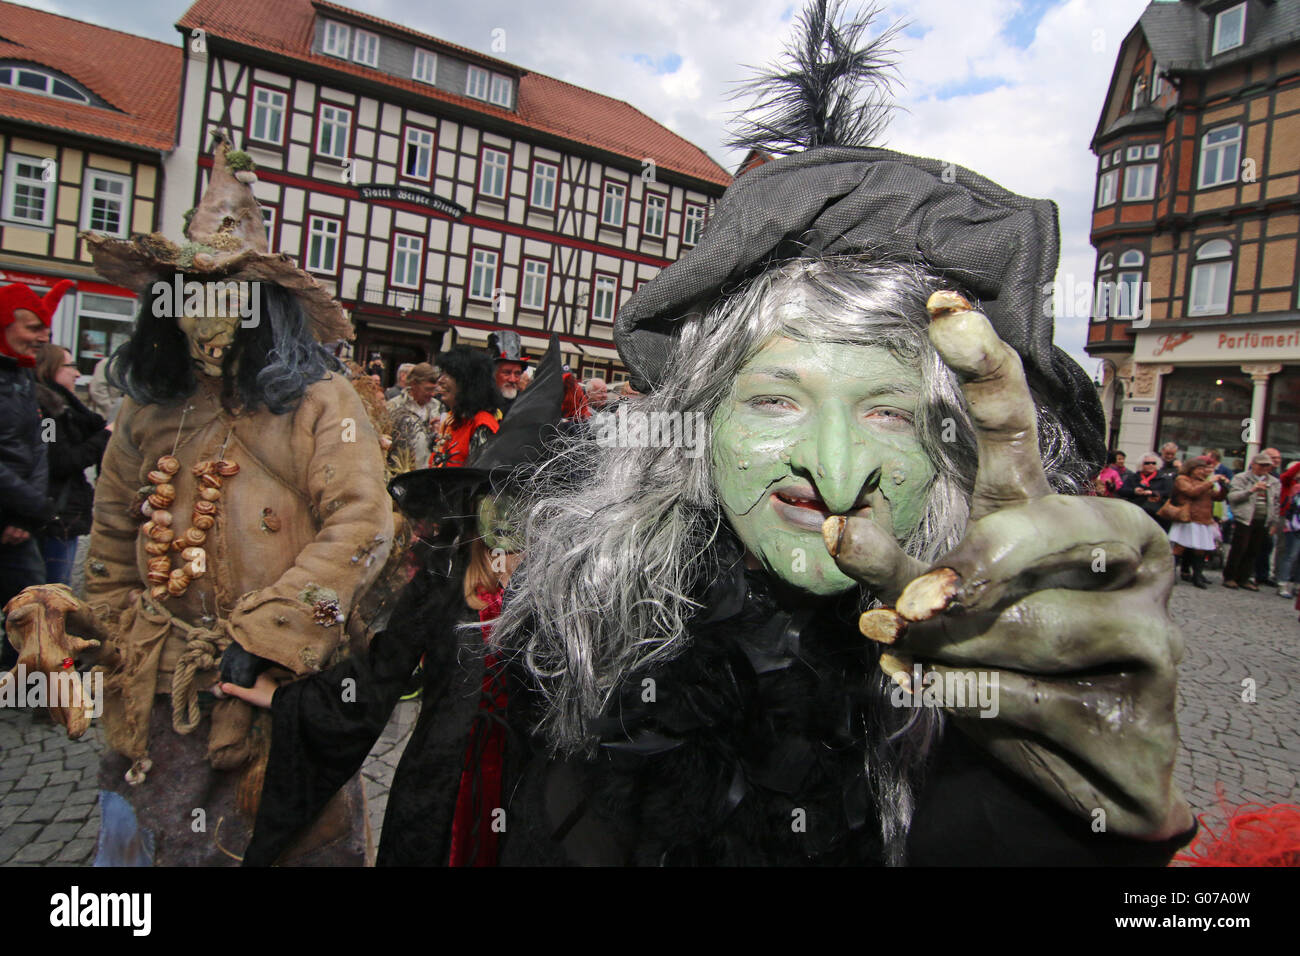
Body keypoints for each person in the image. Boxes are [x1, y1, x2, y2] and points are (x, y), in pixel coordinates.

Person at [3, 135, 394, 865]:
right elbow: (113, 531)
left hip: (271, 688)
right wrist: (101, 628)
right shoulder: (148, 410)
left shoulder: (322, 400)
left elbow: (362, 523)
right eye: (189, 295)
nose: (205, 315)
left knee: (278, 841)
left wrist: (269, 638)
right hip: (162, 688)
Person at [239, 337, 566, 867]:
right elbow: (382, 672)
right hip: (439, 793)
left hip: (528, 806)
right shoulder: (445, 579)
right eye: (498, 503)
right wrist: (291, 702)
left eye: (528, 505)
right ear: (475, 507)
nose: (511, 521)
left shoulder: (566, 594)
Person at [0, 280, 66, 668]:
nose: (43, 337)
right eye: (33, 328)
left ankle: (29, 685)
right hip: (20, 511)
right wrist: (32, 507)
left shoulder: (23, 378)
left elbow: (40, 449)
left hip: (22, 521)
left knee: (37, 614)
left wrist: (27, 515)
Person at [33, 342, 111, 585]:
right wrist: (105, 436)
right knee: (52, 590)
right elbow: (58, 461)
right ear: (50, 368)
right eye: (71, 366)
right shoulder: (47, 414)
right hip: (54, 514)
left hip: (63, 512)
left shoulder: (68, 408)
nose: (77, 373)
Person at [430, 346, 500, 467]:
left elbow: (480, 473)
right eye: (442, 373)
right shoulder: (452, 419)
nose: (440, 380)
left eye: (449, 375)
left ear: (468, 384)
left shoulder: (482, 424)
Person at [1222, 452, 1280, 590]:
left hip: (1263, 519)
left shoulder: (1274, 481)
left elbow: (1276, 503)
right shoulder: (1241, 478)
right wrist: (1252, 490)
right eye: (1261, 465)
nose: (1264, 468)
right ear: (1253, 464)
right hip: (1245, 518)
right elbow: (1232, 497)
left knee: (1254, 550)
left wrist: (1274, 522)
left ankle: (1244, 578)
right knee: (1239, 548)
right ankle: (1230, 577)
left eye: (1267, 465)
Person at [1167, 456, 1227, 589]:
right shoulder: (1182, 479)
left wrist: (1224, 487)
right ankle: (1170, 574)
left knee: (1200, 549)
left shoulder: (1203, 482)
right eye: (1199, 469)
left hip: (1203, 519)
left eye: (1203, 469)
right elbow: (1192, 492)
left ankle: (1197, 576)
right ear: (1191, 469)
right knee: (1179, 547)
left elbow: (1217, 497)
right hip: (1188, 518)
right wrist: (1210, 482)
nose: (1202, 471)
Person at [386, 362, 443, 471]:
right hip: (401, 470)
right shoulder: (395, 406)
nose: (432, 394)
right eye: (427, 389)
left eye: (434, 389)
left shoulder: (437, 407)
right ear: (413, 384)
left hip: (428, 471)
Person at [1255, 446, 1284, 585]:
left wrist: (1274, 521)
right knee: (1250, 546)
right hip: (1253, 515)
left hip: (1268, 516)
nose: (1276, 460)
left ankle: (1263, 575)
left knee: (1267, 547)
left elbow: (1277, 501)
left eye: (1278, 458)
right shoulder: (1254, 474)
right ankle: (1247, 574)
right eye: (1273, 458)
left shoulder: (1276, 478)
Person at [487, 331, 526, 417]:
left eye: (517, 374)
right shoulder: (478, 404)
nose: (512, 379)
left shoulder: (525, 406)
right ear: (492, 374)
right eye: (507, 373)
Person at [1119, 453, 1167, 525]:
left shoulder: (1164, 478)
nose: (1151, 465)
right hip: (1135, 512)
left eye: (1153, 463)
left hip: (1154, 515)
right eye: (1147, 463)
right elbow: (1121, 491)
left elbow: (1168, 493)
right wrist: (1134, 491)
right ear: (1141, 465)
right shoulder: (1133, 477)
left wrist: (1152, 493)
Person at [89, 354, 125, 423]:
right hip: (107, 415)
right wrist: (111, 409)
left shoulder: (140, 367)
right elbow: (97, 389)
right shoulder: (107, 363)